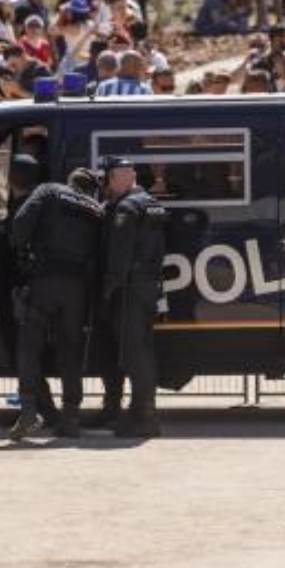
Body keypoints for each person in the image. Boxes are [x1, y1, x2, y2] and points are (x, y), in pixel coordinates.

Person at [7, 164, 105, 439]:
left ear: (70, 181)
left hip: (44, 282)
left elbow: (20, 225)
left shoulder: (49, 191)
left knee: (29, 346)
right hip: (77, 290)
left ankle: (28, 411)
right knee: (71, 351)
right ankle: (70, 417)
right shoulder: (97, 210)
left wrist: (23, 253)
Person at [101, 155, 167, 438]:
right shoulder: (150, 203)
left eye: (108, 178)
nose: (106, 184)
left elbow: (119, 256)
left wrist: (107, 289)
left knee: (133, 353)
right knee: (143, 350)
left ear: (117, 177)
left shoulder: (126, 209)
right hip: (148, 285)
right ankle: (142, 410)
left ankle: (144, 417)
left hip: (129, 288)